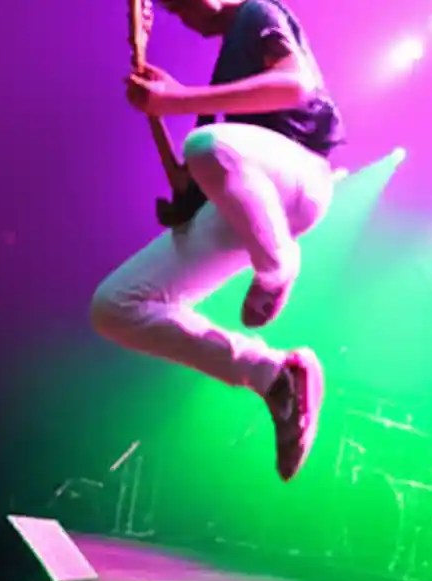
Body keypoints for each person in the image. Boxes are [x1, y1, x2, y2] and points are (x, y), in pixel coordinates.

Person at [90, 0, 345, 480]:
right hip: (247, 199)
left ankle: (276, 268)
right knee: (115, 308)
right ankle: (272, 374)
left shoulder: (258, 11)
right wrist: (156, 110)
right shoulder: (226, 68)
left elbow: (296, 84)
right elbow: (190, 186)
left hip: (298, 177)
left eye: (182, 2)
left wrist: (181, 98)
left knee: (208, 146)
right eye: (171, 10)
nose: (183, 16)